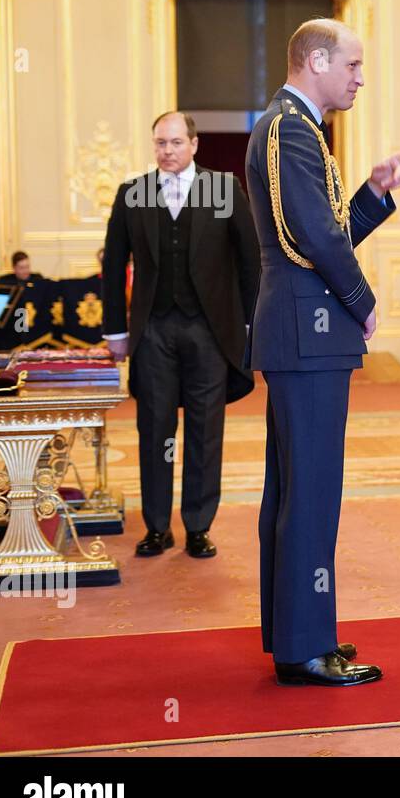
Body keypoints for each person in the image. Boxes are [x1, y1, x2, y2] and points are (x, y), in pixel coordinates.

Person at [245, 18, 400, 687]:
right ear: (315, 60)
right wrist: (362, 300)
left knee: (297, 491)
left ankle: (300, 638)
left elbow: (326, 226)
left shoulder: (294, 128)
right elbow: (312, 235)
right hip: (307, 330)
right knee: (309, 494)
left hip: (301, 331)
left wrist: (372, 195)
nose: (360, 78)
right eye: (352, 66)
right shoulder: (290, 128)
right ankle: (304, 649)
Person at [102, 111, 260, 559]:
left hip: (210, 329)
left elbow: (250, 262)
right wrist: (116, 332)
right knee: (154, 429)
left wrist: (252, 326)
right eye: (159, 143)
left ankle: (197, 526)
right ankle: (157, 527)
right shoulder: (133, 194)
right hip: (152, 330)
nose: (166, 151)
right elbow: (113, 267)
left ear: (194, 144)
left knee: (205, 430)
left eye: (174, 142)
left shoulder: (223, 188)